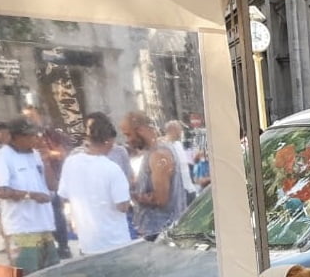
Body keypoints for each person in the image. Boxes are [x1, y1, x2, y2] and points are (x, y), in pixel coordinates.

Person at [57, 114, 132, 256]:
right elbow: (122, 206)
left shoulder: (70, 162)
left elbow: (64, 195)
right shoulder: (112, 168)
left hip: (87, 243)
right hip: (115, 244)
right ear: (109, 140)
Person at [0, 118, 56, 272]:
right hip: (22, 230)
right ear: (16, 136)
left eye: (36, 134)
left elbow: (52, 186)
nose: (36, 138)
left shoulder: (36, 154)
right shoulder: (2, 156)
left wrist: (46, 161)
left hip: (44, 226)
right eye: (31, 135)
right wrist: (30, 195)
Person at [119, 111, 186, 239]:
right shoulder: (154, 151)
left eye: (128, 135)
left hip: (160, 233)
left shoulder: (158, 154)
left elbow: (160, 199)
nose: (128, 140)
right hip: (157, 231)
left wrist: (132, 195)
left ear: (140, 130)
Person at [21, 104, 75, 259]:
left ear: (40, 116)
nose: (29, 120)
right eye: (26, 117)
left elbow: (64, 153)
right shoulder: (24, 138)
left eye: (31, 116)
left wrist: (46, 154)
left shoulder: (52, 134)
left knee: (56, 213)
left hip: (53, 180)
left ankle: (63, 247)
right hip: (34, 182)